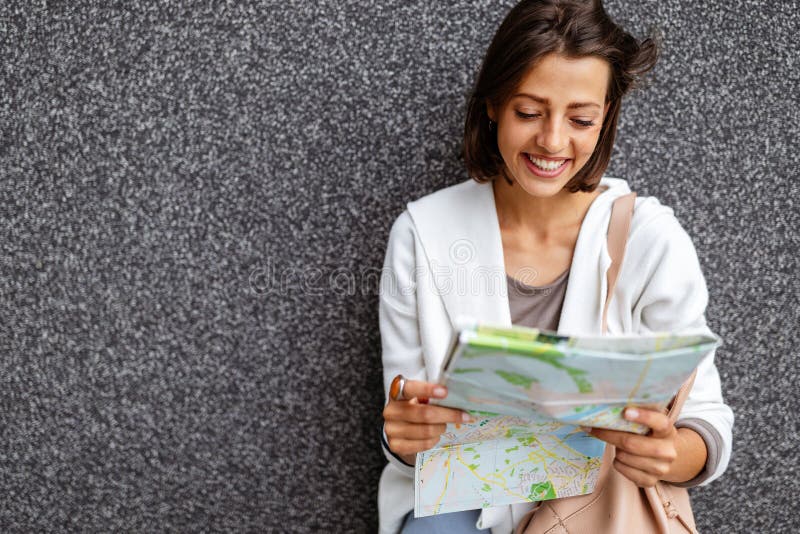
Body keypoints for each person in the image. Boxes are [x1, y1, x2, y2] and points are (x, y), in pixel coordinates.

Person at [377, 1, 734, 533]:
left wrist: (673, 453)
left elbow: (705, 415)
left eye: (581, 118)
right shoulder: (422, 234)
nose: (552, 140)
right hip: (462, 503)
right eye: (528, 112)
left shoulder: (650, 239)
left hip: (594, 503)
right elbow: (404, 421)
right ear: (492, 105)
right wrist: (403, 435)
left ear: (606, 116)